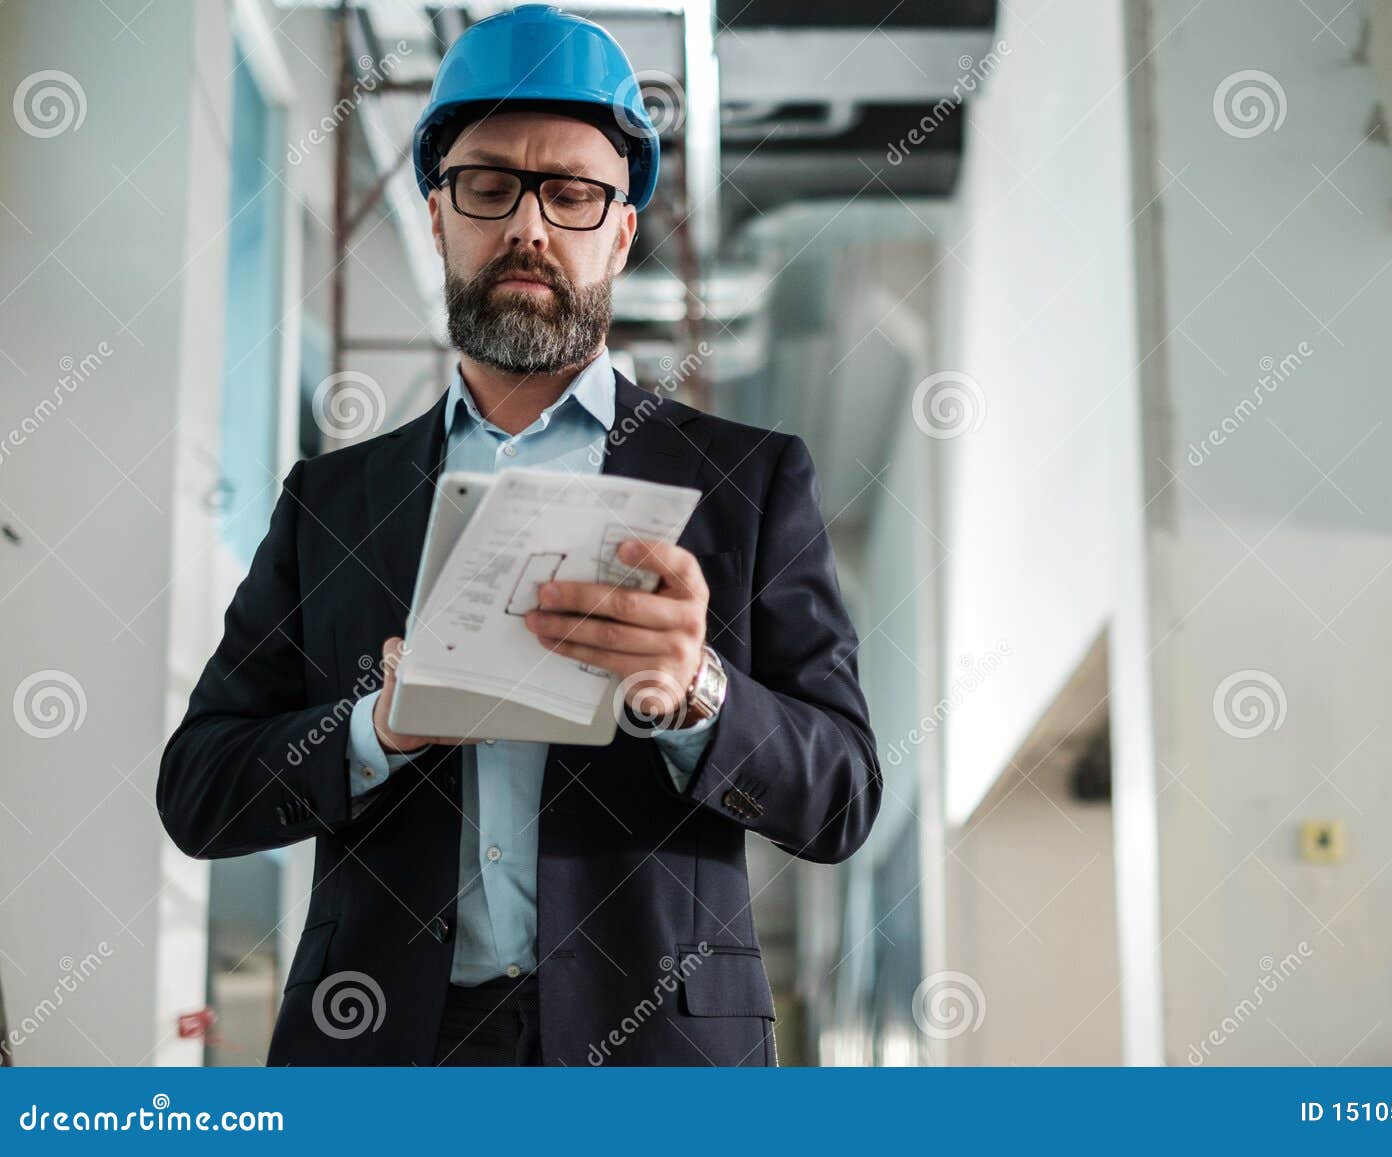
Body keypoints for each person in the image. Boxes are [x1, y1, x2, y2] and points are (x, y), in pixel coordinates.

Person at [157, 4, 880, 1066]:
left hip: (658, 1060)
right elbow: (200, 790)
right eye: (488, 186)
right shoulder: (332, 503)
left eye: (573, 194)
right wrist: (374, 729)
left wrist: (699, 694)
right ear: (440, 214)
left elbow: (842, 797)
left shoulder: (746, 483)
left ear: (621, 231)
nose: (529, 227)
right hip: (383, 1051)